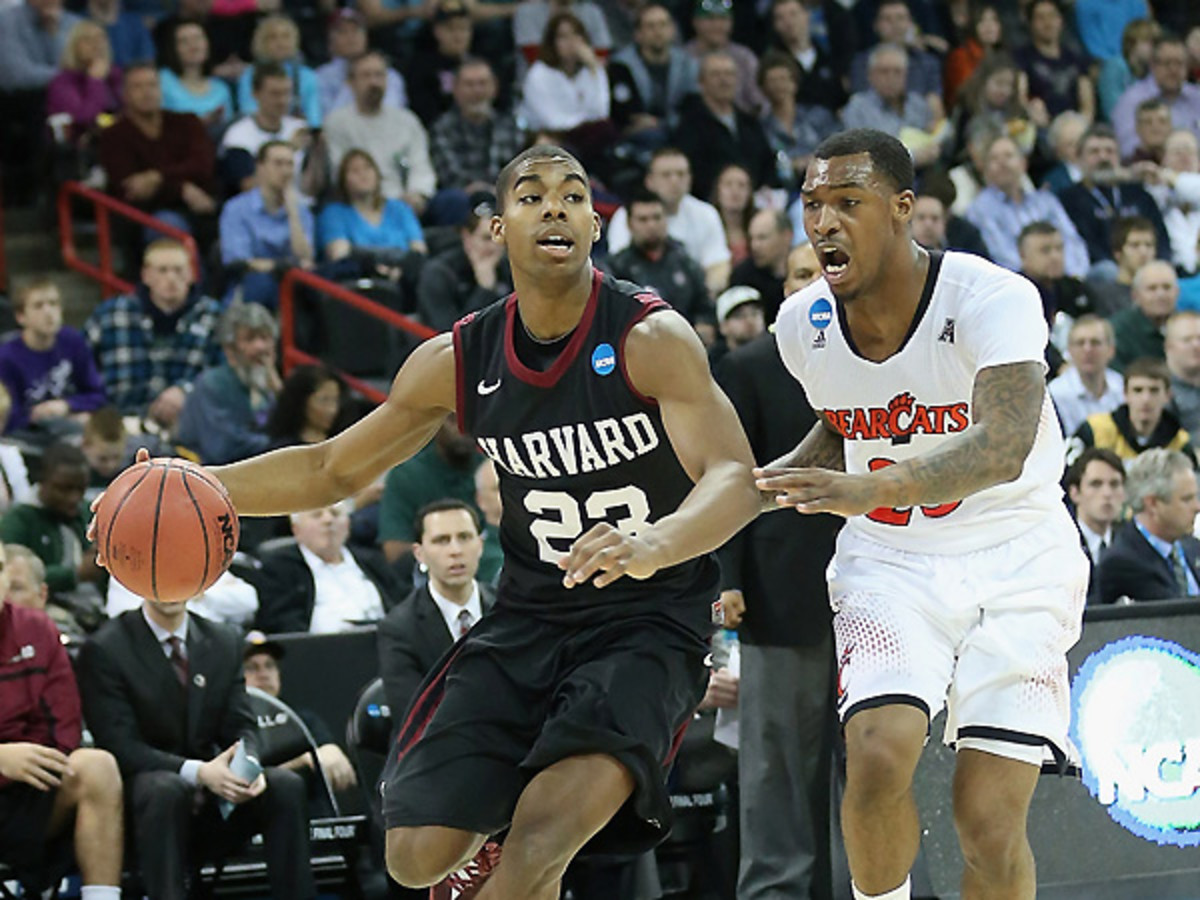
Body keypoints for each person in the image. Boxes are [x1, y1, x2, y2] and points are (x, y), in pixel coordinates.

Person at [97, 143, 760, 897]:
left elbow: (737, 479)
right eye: (532, 195)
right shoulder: (456, 357)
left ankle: (521, 841)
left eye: (574, 196)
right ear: (495, 229)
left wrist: (657, 541)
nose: (555, 207)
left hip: (647, 619)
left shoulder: (649, 337)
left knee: (539, 846)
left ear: (594, 225)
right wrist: (192, 480)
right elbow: (332, 469)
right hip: (530, 618)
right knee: (414, 858)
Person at [763, 129, 1089, 900]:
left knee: (987, 824)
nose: (824, 223)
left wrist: (867, 488)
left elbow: (1004, 444)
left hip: (1018, 555)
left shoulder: (993, 299)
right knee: (874, 759)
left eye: (849, 202)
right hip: (892, 561)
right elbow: (852, 418)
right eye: (813, 205)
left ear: (904, 208)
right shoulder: (799, 326)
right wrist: (772, 480)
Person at [714, 248, 839, 900]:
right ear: (781, 294)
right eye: (799, 275)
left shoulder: (884, 357)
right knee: (778, 769)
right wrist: (726, 579)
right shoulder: (750, 366)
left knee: (878, 761)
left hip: (883, 590)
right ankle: (776, 892)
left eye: (824, 271)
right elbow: (725, 481)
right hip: (781, 595)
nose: (814, 284)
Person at [77, 589, 315, 900]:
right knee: (164, 790)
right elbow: (119, 746)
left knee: (284, 785)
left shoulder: (225, 640)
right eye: (159, 577)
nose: (170, 586)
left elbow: (242, 725)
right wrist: (198, 772)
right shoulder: (106, 648)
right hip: (144, 800)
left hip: (213, 795)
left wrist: (247, 765)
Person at [0, 540, 124, 900]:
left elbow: (64, 728)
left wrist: (25, 761)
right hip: (12, 770)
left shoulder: (38, 629)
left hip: (31, 785)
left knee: (96, 766)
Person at [377, 499, 496, 723]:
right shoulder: (399, 628)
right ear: (419, 553)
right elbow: (413, 716)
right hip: (437, 749)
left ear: (480, 545)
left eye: (464, 537)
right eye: (442, 541)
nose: (455, 550)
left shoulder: (508, 609)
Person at [84, 238, 223, 428]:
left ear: (191, 274)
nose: (171, 278)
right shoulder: (110, 314)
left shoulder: (214, 316)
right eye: (162, 270)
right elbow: (81, 365)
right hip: (119, 423)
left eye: (178, 270)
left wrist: (187, 390)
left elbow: (226, 371)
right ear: (146, 275)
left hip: (192, 423)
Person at [98, 64, 218, 239]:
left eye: (152, 85)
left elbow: (202, 166)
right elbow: (132, 189)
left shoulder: (188, 122)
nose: (147, 92)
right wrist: (181, 188)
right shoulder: (113, 136)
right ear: (124, 94)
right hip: (145, 218)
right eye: (138, 87)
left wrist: (157, 177)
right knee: (168, 225)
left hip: (201, 207)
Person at [241, 632, 358, 802]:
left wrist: (331, 751)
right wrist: (304, 760)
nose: (264, 674)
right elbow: (244, 778)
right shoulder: (230, 724)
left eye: (270, 665)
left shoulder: (301, 719)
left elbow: (331, 754)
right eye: (251, 667)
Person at [256, 501, 402, 633]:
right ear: (296, 529)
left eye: (335, 513)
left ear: (348, 524)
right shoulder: (281, 568)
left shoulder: (372, 561)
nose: (328, 520)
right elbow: (282, 624)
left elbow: (402, 604)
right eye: (316, 515)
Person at [323, 51, 436, 216]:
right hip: (357, 203)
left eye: (379, 75)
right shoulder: (336, 122)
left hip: (405, 201)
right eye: (366, 76)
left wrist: (417, 193)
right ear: (351, 83)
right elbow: (338, 172)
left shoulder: (407, 120)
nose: (374, 82)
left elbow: (420, 164)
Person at [605, 147, 731, 294]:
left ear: (690, 178)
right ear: (650, 180)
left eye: (681, 174)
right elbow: (619, 268)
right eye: (666, 175)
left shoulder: (706, 213)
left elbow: (719, 266)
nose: (674, 181)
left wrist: (701, 294)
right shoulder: (625, 216)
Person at [965, 134, 1089, 277]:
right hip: (1016, 283)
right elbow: (1000, 255)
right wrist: (1038, 272)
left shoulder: (1046, 201)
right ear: (984, 169)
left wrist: (1072, 274)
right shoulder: (980, 209)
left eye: (1008, 156)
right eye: (994, 159)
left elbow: (1072, 241)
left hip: (1063, 279)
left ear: (1023, 163)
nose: (1002, 163)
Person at [175, 302, 281, 465]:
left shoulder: (268, 388)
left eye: (265, 338)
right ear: (229, 349)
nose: (261, 347)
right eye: (250, 338)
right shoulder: (212, 384)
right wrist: (283, 445)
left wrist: (281, 393)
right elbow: (223, 447)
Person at [0, 279, 107, 435]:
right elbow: (7, 415)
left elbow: (98, 394)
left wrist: (67, 405)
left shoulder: (73, 340)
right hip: (26, 434)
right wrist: (38, 415)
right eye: (38, 306)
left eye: (53, 303)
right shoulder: (6, 357)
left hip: (70, 425)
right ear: (20, 317)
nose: (48, 312)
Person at [1095, 447, 1200, 604]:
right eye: (1186, 499)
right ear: (1152, 504)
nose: (1197, 507)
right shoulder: (1122, 563)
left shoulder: (1193, 547)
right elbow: (1176, 620)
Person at [218, 141, 315, 308]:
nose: (285, 171)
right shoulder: (236, 209)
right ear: (260, 167)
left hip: (293, 288)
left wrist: (292, 213)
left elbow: (305, 258)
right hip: (250, 289)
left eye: (290, 164)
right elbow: (239, 262)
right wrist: (279, 266)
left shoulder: (301, 211)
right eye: (278, 163)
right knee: (262, 282)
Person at [1058, 125, 1169, 268]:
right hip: (1100, 273)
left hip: (1146, 269)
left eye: (1109, 151)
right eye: (1094, 152)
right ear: (1079, 158)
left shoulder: (1138, 194)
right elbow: (1083, 246)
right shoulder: (1069, 199)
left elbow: (1161, 239)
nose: (1103, 157)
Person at [672, 50, 776, 199]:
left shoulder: (749, 122)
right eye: (716, 74)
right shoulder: (689, 125)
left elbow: (767, 162)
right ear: (701, 82)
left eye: (729, 74)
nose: (724, 80)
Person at [605, 188, 711, 327]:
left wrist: (705, 324)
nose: (651, 225)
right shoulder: (617, 267)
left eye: (657, 217)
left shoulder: (684, 260)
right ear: (630, 225)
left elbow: (705, 305)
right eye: (643, 219)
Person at [1066, 356, 1196, 465]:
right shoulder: (1095, 430)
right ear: (1125, 394)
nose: (1146, 399)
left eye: (1154, 390)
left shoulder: (1179, 443)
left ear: (1168, 395)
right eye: (1137, 390)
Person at [429, 58, 525, 201]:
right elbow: (449, 176)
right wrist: (483, 191)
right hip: (463, 201)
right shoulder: (442, 128)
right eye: (469, 84)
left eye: (483, 83)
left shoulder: (509, 126)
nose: (477, 91)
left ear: (495, 88)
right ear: (455, 90)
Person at [840, 44, 946, 172]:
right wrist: (911, 158)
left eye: (897, 72)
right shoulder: (858, 108)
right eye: (884, 71)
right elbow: (860, 158)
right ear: (870, 75)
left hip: (922, 176)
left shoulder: (918, 105)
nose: (891, 78)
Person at [317, 149, 426, 269]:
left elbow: (419, 250)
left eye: (368, 167)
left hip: (405, 274)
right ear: (343, 180)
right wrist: (377, 266)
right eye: (355, 171)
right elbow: (339, 254)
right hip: (360, 277)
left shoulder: (400, 209)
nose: (363, 174)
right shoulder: (333, 214)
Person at [608, 3, 698, 143]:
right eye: (651, 26)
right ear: (638, 34)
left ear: (672, 30)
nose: (658, 32)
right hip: (638, 135)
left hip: (679, 129)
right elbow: (626, 114)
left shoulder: (687, 64)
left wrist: (663, 123)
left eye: (663, 25)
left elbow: (693, 105)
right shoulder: (621, 65)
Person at [415, 206, 513, 333]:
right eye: (486, 238)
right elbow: (449, 336)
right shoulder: (438, 273)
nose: (495, 247)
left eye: (500, 238)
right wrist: (484, 290)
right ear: (467, 237)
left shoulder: (509, 268)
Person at [219, 63, 310, 196]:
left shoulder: (300, 128)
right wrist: (289, 149)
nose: (282, 100)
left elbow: (313, 188)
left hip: (301, 206)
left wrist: (319, 150)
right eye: (275, 94)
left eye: (286, 93)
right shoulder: (238, 135)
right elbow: (247, 186)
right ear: (255, 94)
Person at [517, 13, 611, 140]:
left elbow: (601, 112)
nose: (571, 42)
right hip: (552, 137)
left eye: (576, 34)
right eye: (563, 37)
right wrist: (583, 122)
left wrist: (595, 67)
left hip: (588, 134)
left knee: (608, 133)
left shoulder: (590, 69)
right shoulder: (538, 74)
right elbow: (552, 121)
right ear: (552, 42)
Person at [758, 52, 838, 195]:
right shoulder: (760, 126)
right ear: (763, 88)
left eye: (783, 79)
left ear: (794, 83)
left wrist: (811, 161)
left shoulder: (818, 116)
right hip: (783, 192)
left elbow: (838, 149)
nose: (779, 86)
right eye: (772, 81)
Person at [1112, 36, 1200, 159]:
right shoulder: (1132, 100)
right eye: (1167, 63)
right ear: (1153, 66)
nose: (1173, 70)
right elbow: (1126, 146)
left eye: (1179, 63)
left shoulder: (1197, 97)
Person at [316, 9, 407, 118]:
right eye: (343, 31)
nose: (351, 37)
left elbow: (392, 114)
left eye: (356, 30)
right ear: (330, 40)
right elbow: (327, 119)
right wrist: (350, 84)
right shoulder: (321, 76)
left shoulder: (388, 74)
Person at [234, 14, 321, 128]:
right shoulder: (249, 75)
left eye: (286, 36)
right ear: (261, 42)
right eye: (272, 37)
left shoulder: (309, 76)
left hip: (300, 134)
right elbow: (248, 112)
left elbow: (314, 118)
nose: (280, 43)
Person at [1064, 448, 1126, 605]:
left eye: (1114, 484)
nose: (1107, 493)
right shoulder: (1061, 543)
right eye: (1096, 484)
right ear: (1074, 493)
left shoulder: (1131, 543)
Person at [46, 21, 122, 149]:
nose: (97, 45)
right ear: (74, 47)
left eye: (101, 38)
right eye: (88, 40)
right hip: (80, 151)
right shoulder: (62, 83)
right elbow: (84, 119)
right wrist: (95, 81)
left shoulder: (116, 75)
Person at [1013, 0, 1093, 120]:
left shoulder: (1075, 58)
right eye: (1040, 18)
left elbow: (1087, 105)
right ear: (1031, 23)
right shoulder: (1022, 57)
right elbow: (1021, 98)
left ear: (1061, 21)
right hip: (1039, 125)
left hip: (1074, 125)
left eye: (1052, 16)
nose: (1048, 23)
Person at [1049, 315, 1124, 437]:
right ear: (1070, 350)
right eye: (1080, 343)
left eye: (1095, 343)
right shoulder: (1055, 394)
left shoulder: (1121, 388)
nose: (1087, 349)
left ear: (1111, 350)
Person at [158, 20, 236, 136]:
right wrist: (200, 123)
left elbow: (230, 130)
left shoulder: (221, 89)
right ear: (173, 49)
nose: (193, 45)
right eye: (184, 41)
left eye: (197, 38)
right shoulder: (162, 80)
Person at [684, 0, 761, 115]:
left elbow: (759, 102)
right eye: (710, 19)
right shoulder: (683, 58)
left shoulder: (744, 57)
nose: (717, 25)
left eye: (723, 19)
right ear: (696, 22)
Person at [406, 0, 475, 128]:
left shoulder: (480, 66)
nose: (458, 36)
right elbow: (423, 111)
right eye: (451, 29)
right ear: (437, 31)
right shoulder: (421, 68)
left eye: (463, 28)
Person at [1110, 260, 1179, 370]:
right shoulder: (1118, 330)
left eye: (1167, 287)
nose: (1160, 294)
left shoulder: (1190, 327)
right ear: (1135, 295)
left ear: (1177, 292)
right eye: (1152, 288)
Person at [1085, 215, 1158, 316]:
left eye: (1149, 245)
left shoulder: (1162, 293)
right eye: (1135, 245)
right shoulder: (1104, 297)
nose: (1143, 252)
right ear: (1118, 253)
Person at [730, 209, 792, 325]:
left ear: (786, 236)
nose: (755, 246)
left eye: (762, 238)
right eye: (751, 239)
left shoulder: (804, 269)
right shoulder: (742, 275)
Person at [265, 364, 344, 449]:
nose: (332, 409)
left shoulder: (341, 444)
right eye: (324, 400)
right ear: (302, 401)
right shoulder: (283, 449)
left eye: (335, 400)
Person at [1097, 18, 1159, 122]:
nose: (1154, 48)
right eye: (1149, 42)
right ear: (1132, 43)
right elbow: (1113, 110)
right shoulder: (1114, 67)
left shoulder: (1152, 70)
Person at [710, 285, 766, 369]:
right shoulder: (716, 364)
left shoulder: (778, 353)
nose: (750, 321)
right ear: (723, 327)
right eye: (739, 316)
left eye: (755, 313)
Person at [1164, 311, 1200, 438]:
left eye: (1199, 338)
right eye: (1187, 340)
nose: (1196, 345)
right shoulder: (1159, 389)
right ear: (1169, 346)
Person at [711, 163, 755, 266]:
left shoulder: (759, 227)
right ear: (718, 190)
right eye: (728, 184)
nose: (735, 191)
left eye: (741, 185)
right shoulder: (706, 227)